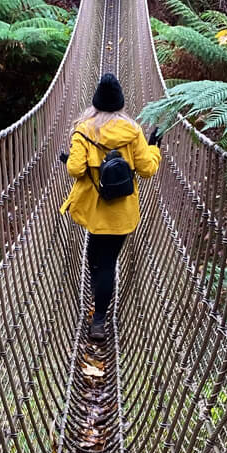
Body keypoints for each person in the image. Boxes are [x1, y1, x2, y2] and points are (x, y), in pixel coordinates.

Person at [60, 73, 162, 340]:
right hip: (122, 213)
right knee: (106, 261)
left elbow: (74, 169)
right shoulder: (133, 131)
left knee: (97, 260)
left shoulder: (84, 129)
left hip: (96, 210)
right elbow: (148, 169)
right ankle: (100, 315)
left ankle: (99, 317)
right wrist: (154, 149)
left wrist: (73, 156)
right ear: (120, 104)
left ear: (95, 103)